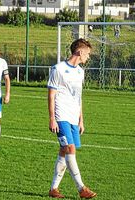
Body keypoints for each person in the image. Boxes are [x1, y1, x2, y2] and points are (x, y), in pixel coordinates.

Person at [47, 38, 97, 199]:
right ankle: (81, 188)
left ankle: (53, 189)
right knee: (70, 149)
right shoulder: (58, 69)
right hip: (61, 116)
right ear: (80, 52)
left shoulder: (80, 72)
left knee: (64, 151)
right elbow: (51, 94)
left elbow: (79, 97)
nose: (88, 57)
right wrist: (52, 118)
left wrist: (81, 119)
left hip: (74, 117)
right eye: (87, 54)